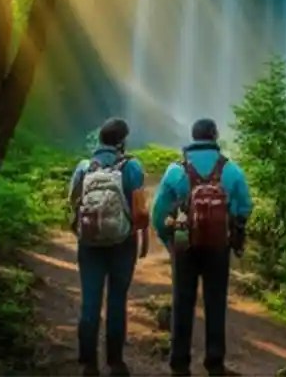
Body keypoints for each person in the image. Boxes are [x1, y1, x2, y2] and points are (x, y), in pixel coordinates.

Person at [152, 118, 253, 377]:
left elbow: (158, 213)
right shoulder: (231, 170)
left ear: (193, 137)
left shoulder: (175, 171)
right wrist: (232, 229)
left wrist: (169, 241)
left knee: (182, 302)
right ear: (215, 136)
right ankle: (214, 363)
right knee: (215, 302)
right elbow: (245, 207)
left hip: (184, 245)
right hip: (218, 246)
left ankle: (179, 364)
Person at [68, 118, 151, 377]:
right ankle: (115, 362)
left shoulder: (84, 167)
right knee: (117, 300)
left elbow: (73, 200)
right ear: (122, 141)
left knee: (90, 300)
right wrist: (142, 235)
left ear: (100, 140)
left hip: (90, 242)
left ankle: (88, 362)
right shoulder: (132, 167)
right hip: (123, 243)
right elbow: (140, 211)